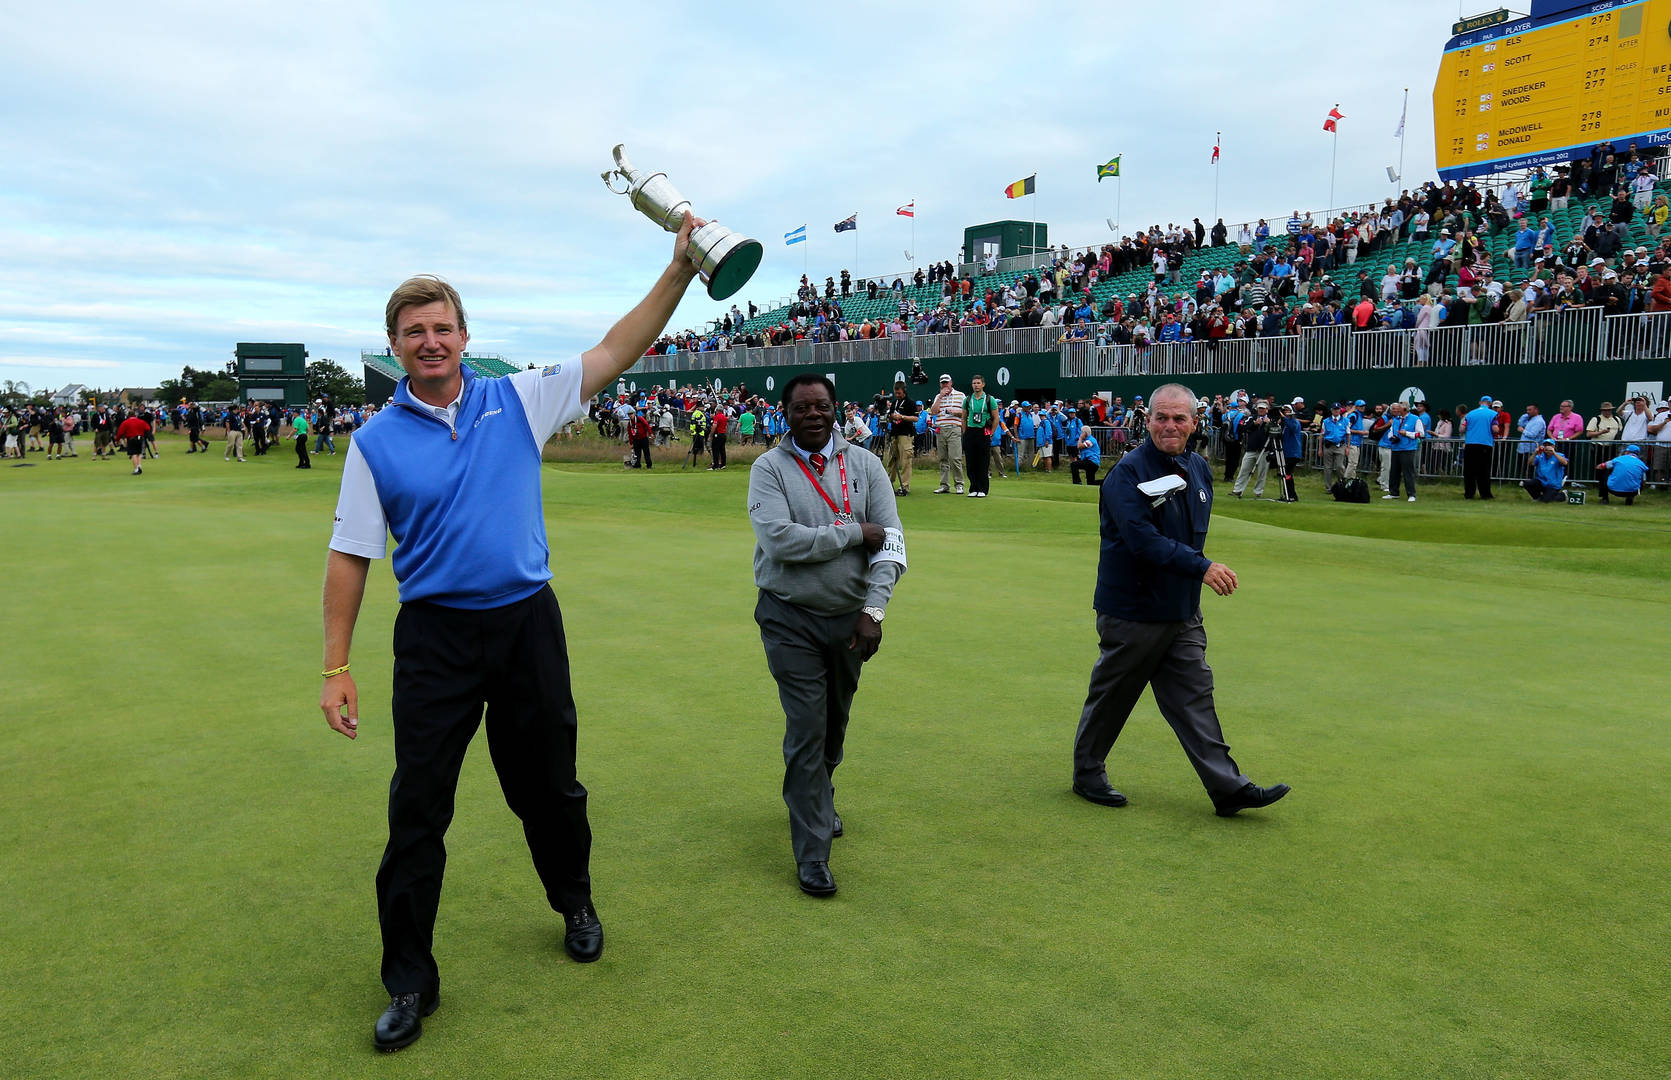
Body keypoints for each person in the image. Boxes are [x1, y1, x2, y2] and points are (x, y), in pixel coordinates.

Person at [319, 213, 707, 1053]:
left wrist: (677, 273)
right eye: (413, 331)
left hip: (527, 623)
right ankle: (410, 981)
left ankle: (573, 898)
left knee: (549, 789)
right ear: (392, 344)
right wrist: (335, 664)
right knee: (417, 809)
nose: (430, 341)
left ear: (465, 335)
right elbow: (351, 556)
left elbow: (616, 349)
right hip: (434, 638)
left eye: (442, 327)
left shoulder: (515, 398)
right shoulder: (374, 442)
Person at [1070, 383, 1289, 816]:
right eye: (1161, 418)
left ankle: (1228, 788)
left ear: (1194, 423)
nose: (1170, 426)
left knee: (1195, 697)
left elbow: (1189, 534)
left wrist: (1195, 575)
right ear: (1147, 420)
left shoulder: (1199, 468)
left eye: (1179, 418)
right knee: (1114, 695)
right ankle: (1087, 772)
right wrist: (1202, 567)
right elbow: (1141, 540)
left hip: (1182, 611)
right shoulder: (1127, 473)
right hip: (1132, 610)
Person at [747, 373, 905, 898]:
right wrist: (852, 533)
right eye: (801, 408)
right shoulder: (769, 468)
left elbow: (892, 545)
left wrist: (874, 611)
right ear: (784, 413)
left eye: (821, 407)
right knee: (808, 728)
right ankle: (813, 852)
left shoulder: (866, 464)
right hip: (788, 617)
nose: (812, 415)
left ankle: (819, 790)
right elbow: (779, 540)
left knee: (834, 723)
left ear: (835, 409)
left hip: (851, 619)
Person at [963, 374, 998, 498]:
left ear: (983, 384)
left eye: (978, 383)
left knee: (983, 461)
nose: (976, 385)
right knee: (971, 461)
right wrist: (964, 432)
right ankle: (973, 488)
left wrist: (991, 432)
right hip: (971, 431)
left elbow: (996, 418)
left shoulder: (989, 399)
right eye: (974, 383)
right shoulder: (967, 399)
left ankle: (983, 488)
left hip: (983, 431)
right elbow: (964, 417)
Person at [930, 374, 966, 494]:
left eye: (947, 382)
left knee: (955, 458)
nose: (945, 385)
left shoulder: (960, 395)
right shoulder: (937, 396)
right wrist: (940, 397)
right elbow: (933, 411)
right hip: (940, 429)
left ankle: (959, 484)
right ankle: (944, 485)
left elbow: (966, 412)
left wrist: (956, 412)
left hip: (954, 428)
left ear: (951, 383)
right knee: (943, 458)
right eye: (943, 383)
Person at [1381, 401, 1423, 502]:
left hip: (1408, 448)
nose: (1396, 410)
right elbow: (1390, 432)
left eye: (1398, 408)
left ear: (1404, 409)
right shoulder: (1396, 420)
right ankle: (1394, 492)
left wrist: (1407, 434)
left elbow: (1421, 433)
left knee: (1408, 472)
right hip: (1396, 447)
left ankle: (1411, 494)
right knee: (1394, 471)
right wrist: (1392, 437)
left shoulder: (1415, 419)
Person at [1461, 395, 1501, 499]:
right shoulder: (1493, 414)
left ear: (1480, 402)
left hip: (1470, 444)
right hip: (1485, 444)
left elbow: (1462, 429)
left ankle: (1469, 494)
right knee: (1483, 471)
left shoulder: (1470, 414)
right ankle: (1485, 494)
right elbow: (1495, 429)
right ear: (1490, 404)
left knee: (1469, 471)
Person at [884, 381, 918, 496]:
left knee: (905, 460)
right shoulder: (894, 403)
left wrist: (902, 417)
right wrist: (889, 417)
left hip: (906, 434)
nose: (897, 395)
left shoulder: (910, 403)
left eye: (899, 393)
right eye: (896, 393)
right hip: (894, 433)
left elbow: (915, 418)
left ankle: (904, 486)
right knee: (891, 460)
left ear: (904, 391)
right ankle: (889, 484)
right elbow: (891, 417)